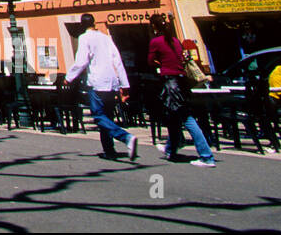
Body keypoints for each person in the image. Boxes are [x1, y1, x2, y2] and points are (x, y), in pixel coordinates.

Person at [65, 14, 138, 161]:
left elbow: (81, 61)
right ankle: (109, 150)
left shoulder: (85, 38)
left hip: (97, 82)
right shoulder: (106, 37)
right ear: (94, 23)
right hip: (111, 82)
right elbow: (117, 61)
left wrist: (69, 77)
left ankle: (126, 138)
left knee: (99, 116)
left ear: (82, 24)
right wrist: (124, 84)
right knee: (107, 116)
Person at [148, 14, 216, 168]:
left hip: (170, 82)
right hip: (182, 80)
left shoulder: (156, 42)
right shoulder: (175, 41)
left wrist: (161, 63)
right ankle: (171, 149)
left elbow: (150, 61)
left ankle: (206, 156)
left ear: (153, 26)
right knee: (173, 117)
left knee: (186, 118)